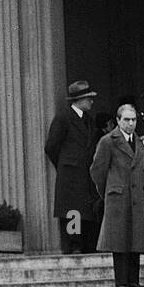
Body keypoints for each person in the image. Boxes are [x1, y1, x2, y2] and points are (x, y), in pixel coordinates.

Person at [90, 103, 144, 287]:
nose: (131, 124)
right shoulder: (108, 141)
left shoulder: (138, 141)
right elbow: (97, 170)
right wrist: (109, 191)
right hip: (119, 196)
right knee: (120, 240)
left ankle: (133, 280)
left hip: (136, 196)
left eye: (133, 120)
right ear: (118, 120)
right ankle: (121, 281)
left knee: (135, 239)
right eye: (126, 120)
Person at [44, 79, 99, 253]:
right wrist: (64, 165)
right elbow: (51, 146)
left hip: (87, 176)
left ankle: (85, 246)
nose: (91, 101)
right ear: (79, 99)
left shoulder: (89, 121)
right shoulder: (63, 118)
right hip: (71, 177)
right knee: (72, 213)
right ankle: (73, 246)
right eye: (88, 98)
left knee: (86, 213)